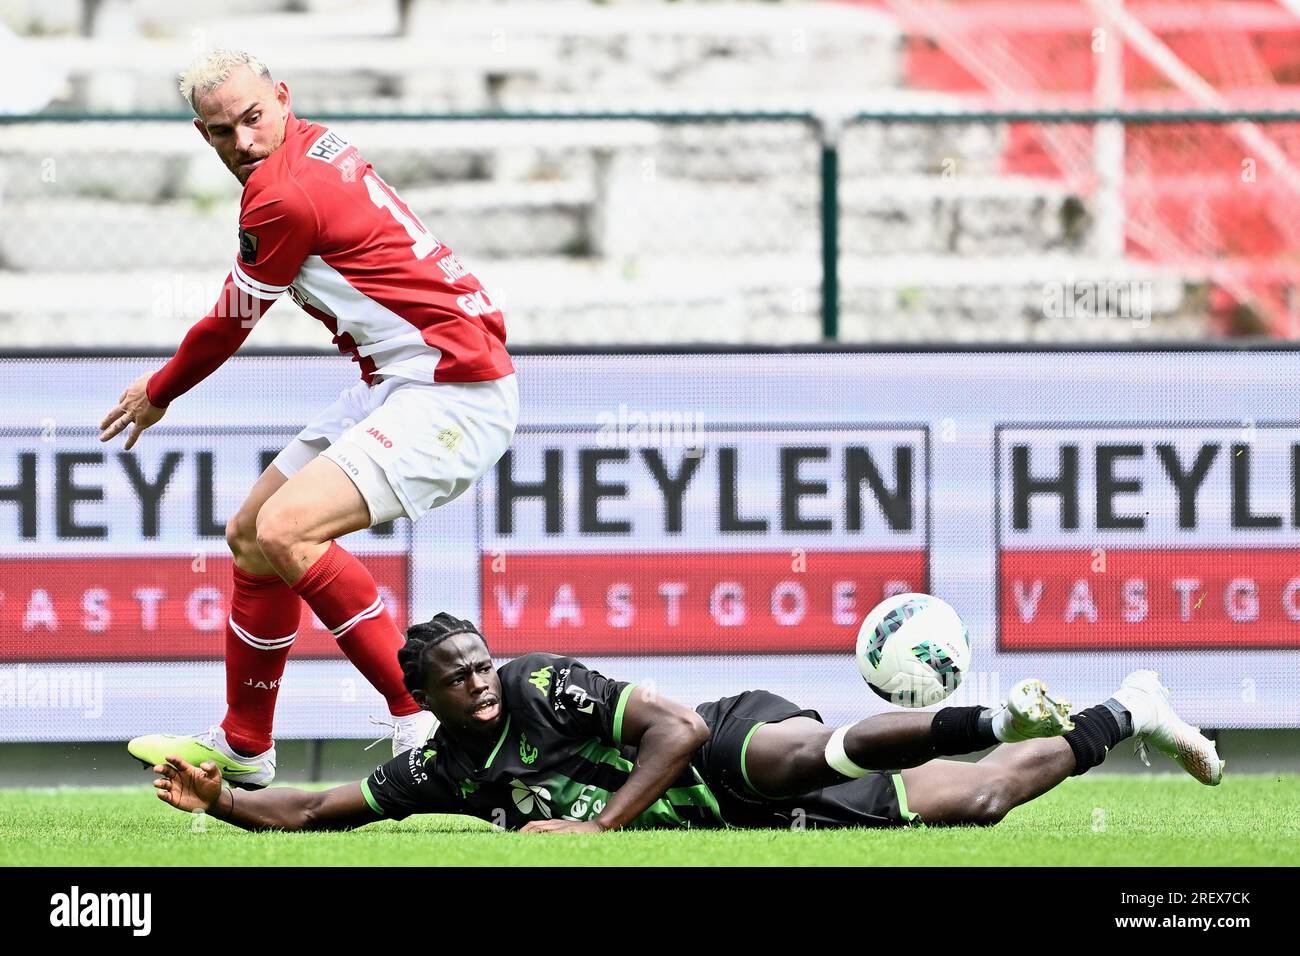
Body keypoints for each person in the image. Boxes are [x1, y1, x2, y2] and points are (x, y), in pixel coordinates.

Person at [112, 51, 518, 787]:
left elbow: (231, 321)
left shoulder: (279, 196)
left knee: (287, 529)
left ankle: (417, 725)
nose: (243, 141)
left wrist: (161, 389)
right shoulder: (314, 143)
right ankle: (245, 743)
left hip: (451, 386)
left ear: (282, 99)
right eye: (223, 130)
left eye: (254, 118)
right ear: (203, 136)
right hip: (404, 377)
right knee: (251, 536)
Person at [146, 613, 1223, 833]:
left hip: (723, 739)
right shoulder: (443, 769)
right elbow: (321, 805)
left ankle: (988, 708)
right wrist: (226, 797)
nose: (480, 680)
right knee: (980, 797)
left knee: (791, 756)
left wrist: (602, 831)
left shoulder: (542, 683)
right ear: (419, 692)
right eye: (455, 676)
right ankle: (1128, 705)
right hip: (739, 818)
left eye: (480, 662)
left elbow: (666, 727)